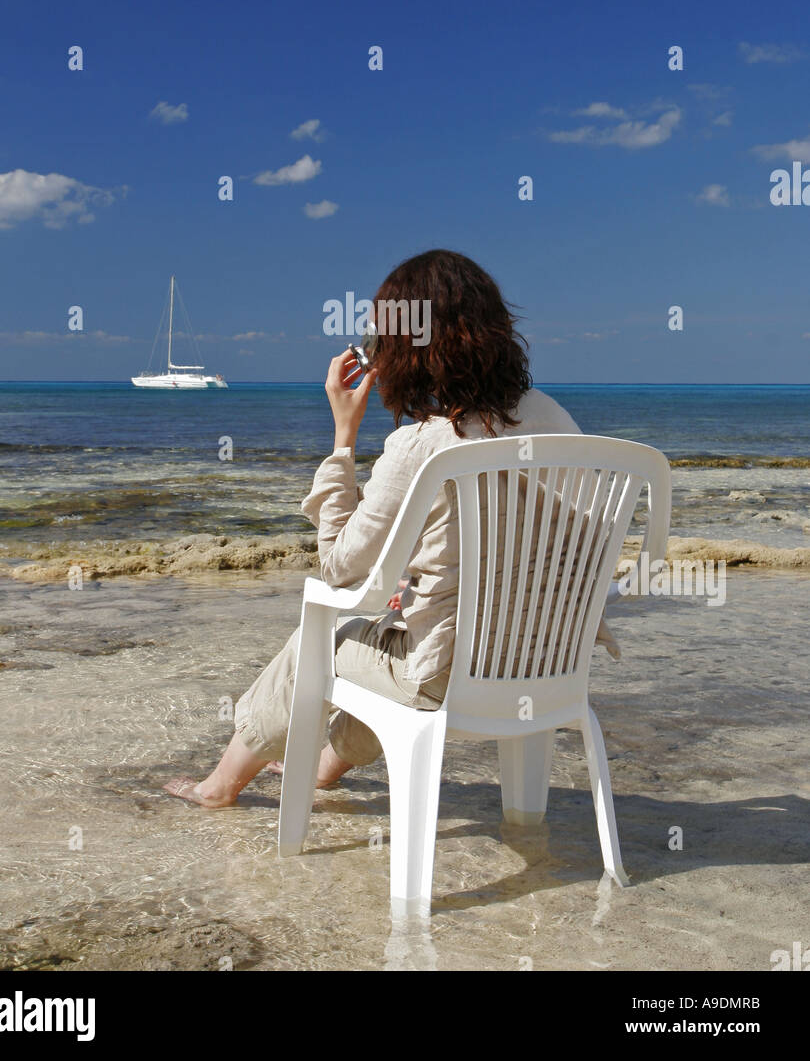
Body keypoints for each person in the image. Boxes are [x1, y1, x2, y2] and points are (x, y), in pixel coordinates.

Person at [164, 248, 610, 809]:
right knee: (395, 626)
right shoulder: (552, 417)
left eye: (378, 340)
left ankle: (218, 787)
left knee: (318, 642)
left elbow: (339, 569)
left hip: (450, 676)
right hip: (548, 662)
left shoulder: (421, 443)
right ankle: (326, 768)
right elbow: (523, 543)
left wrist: (343, 438)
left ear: (406, 349)